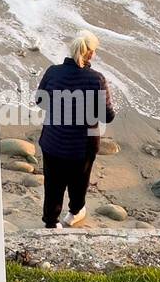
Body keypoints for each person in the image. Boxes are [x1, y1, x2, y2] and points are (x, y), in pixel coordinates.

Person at [36, 31, 116, 228]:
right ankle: (74, 212)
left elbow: (39, 101)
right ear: (90, 54)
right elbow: (107, 116)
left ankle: (51, 223)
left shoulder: (52, 72)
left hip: (53, 140)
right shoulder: (96, 80)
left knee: (53, 184)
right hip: (82, 145)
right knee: (78, 182)